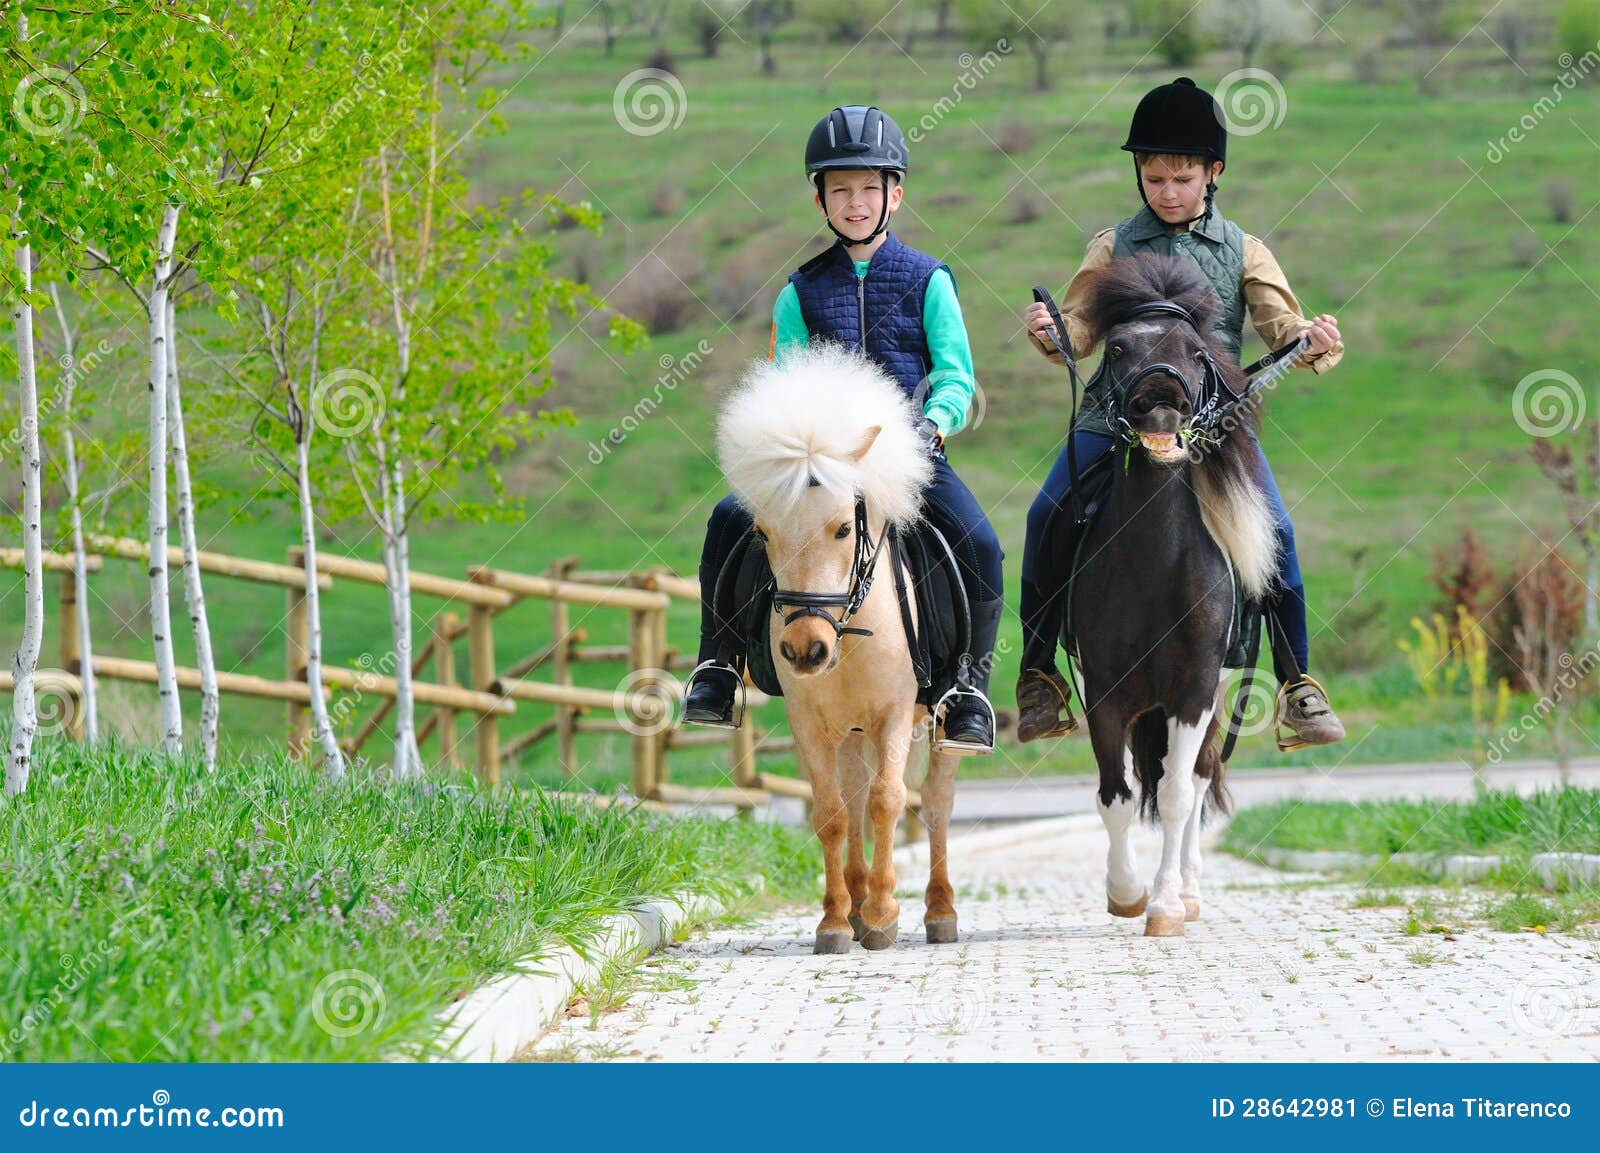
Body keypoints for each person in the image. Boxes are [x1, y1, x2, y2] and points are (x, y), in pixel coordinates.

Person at [1016, 76, 1346, 751]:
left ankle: (1297, 685)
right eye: (1154, 175)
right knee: (1046, 512)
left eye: (1182, 176)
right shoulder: (1113, 245)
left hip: (1212, 428)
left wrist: (1310, 340)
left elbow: (1281, 324)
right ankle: (1038, 676)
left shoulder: (1243, 249)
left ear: (1212, 173)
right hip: (1113, 417)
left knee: (1275, 531)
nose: (1166, 190)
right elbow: (1078, 329)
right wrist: (1051, 330)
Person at [683, 105, 1003, 752]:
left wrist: (934, 426)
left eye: (867, 188)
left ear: (895, 194)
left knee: (981, 542)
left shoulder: (928, 280)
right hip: (820, 468)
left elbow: (955, 377)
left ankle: (966, 686)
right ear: (820, 199)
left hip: (906, 459)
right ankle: (718, 668)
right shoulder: (799, 292)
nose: (854, 203)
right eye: (840, 190)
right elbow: (783, 384)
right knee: (726, 520)